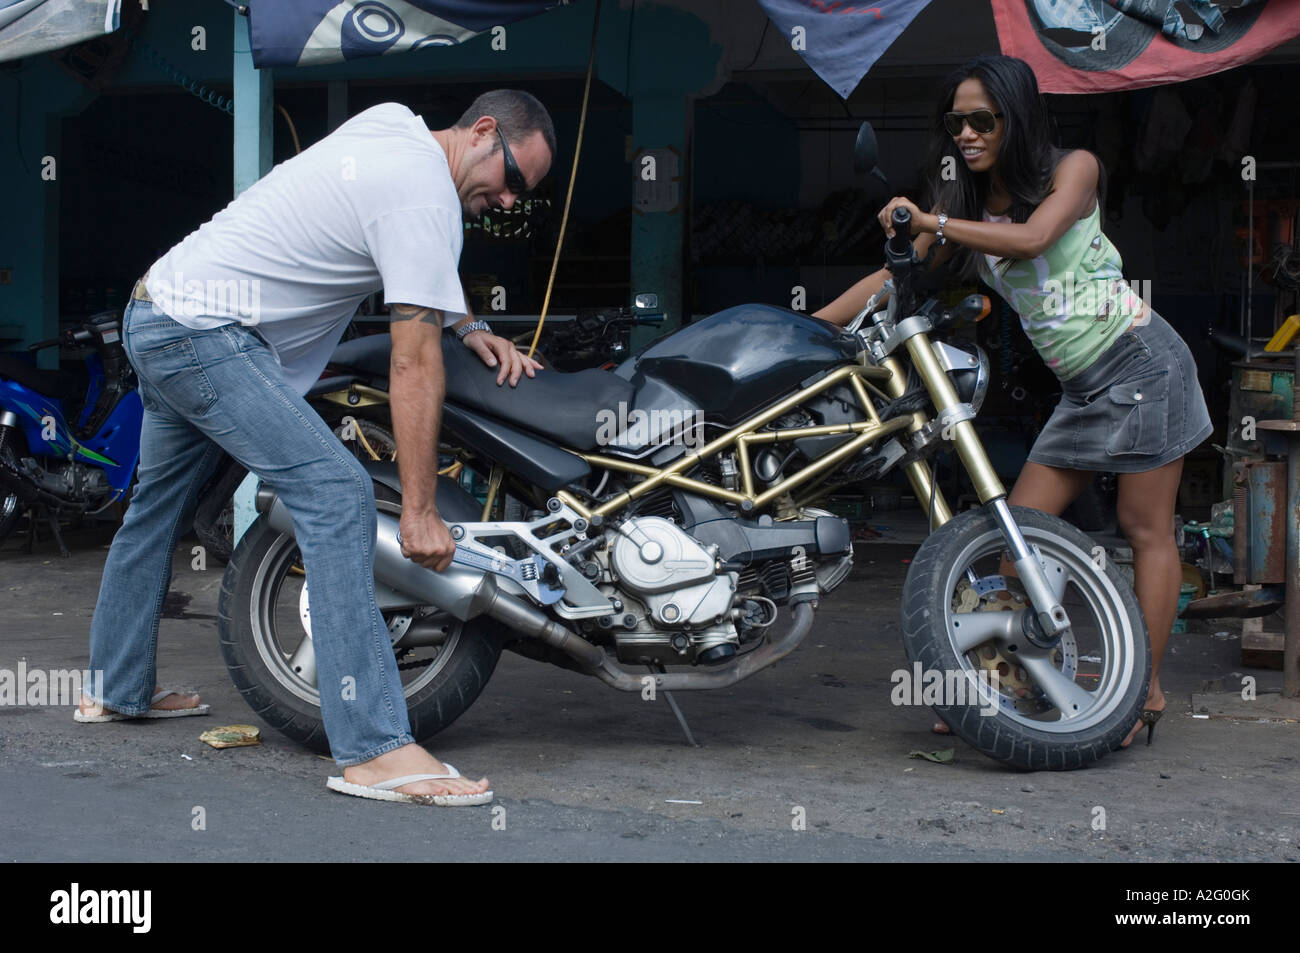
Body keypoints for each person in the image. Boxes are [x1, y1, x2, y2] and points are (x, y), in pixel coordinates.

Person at [76, 89, 554, 804]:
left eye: (525, 195)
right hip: (205, 335)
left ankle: (114, 689)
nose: (512, 201)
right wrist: (420, 509)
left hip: (161, 309)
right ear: (483, 132)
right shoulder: (423, 195)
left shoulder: (394, 128)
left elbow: (403, 248)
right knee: (336, 494)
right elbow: (411, 363)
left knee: (154, 511)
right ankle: (373, 747)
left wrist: (466, 323)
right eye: (514, 179)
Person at [815, 55, 1211, 749]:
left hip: (1144, 362)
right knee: (1014, 546)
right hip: (1084, 388)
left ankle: (1143, 694)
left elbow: (1032, 238)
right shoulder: (965, 212)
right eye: (956, 122)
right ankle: (1008, 689)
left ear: (1015, 119)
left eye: (981, 121)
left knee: (1144, 529)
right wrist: (808, 328)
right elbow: (894, 275)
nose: (966, 135)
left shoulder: (1074, 169)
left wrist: (933, 222)